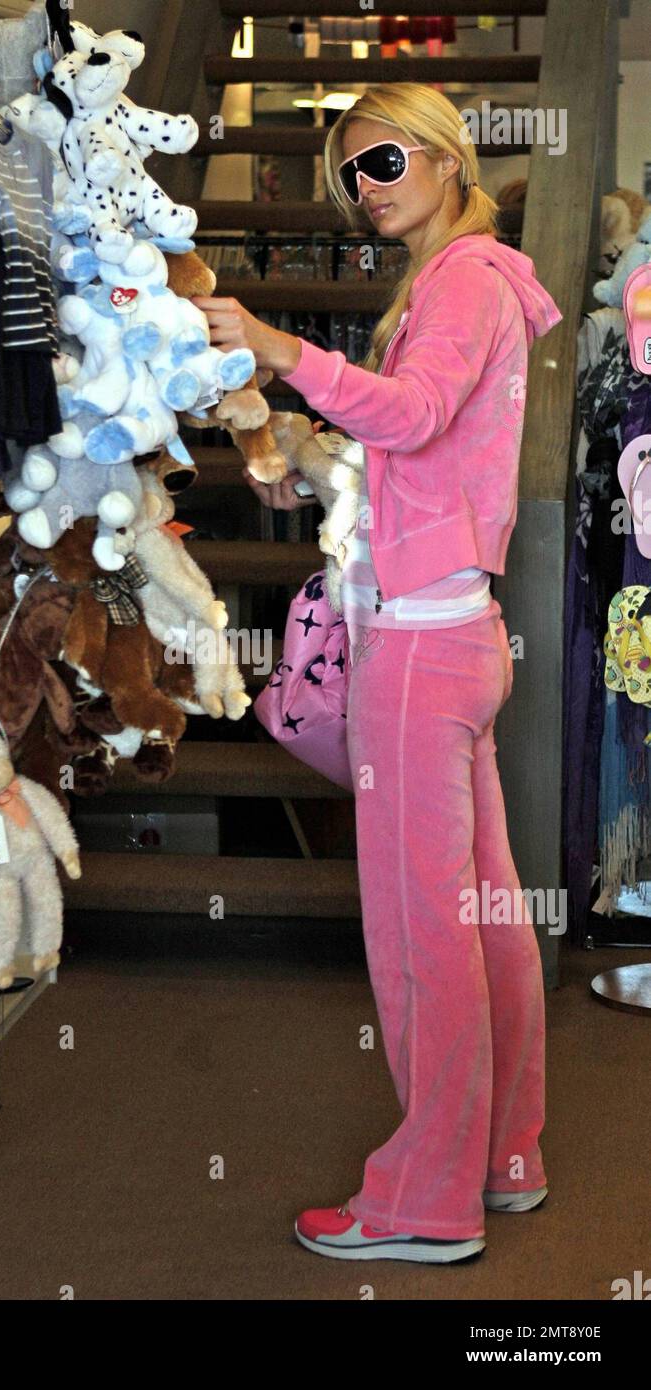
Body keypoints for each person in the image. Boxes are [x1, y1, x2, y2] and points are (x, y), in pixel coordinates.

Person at [191, 82, 562, 1264]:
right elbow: (418, 448)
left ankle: (424, 1200)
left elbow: (408, 413)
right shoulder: (475, 281)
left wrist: (273, 344)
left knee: (423, 933)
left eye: (385, 161)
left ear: (447, 158)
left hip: (417, 644)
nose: (365, 188)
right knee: (485, 913)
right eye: (350, 172)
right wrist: (314, 467)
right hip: (453, 628)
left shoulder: (458, 283)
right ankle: (503, 1154)